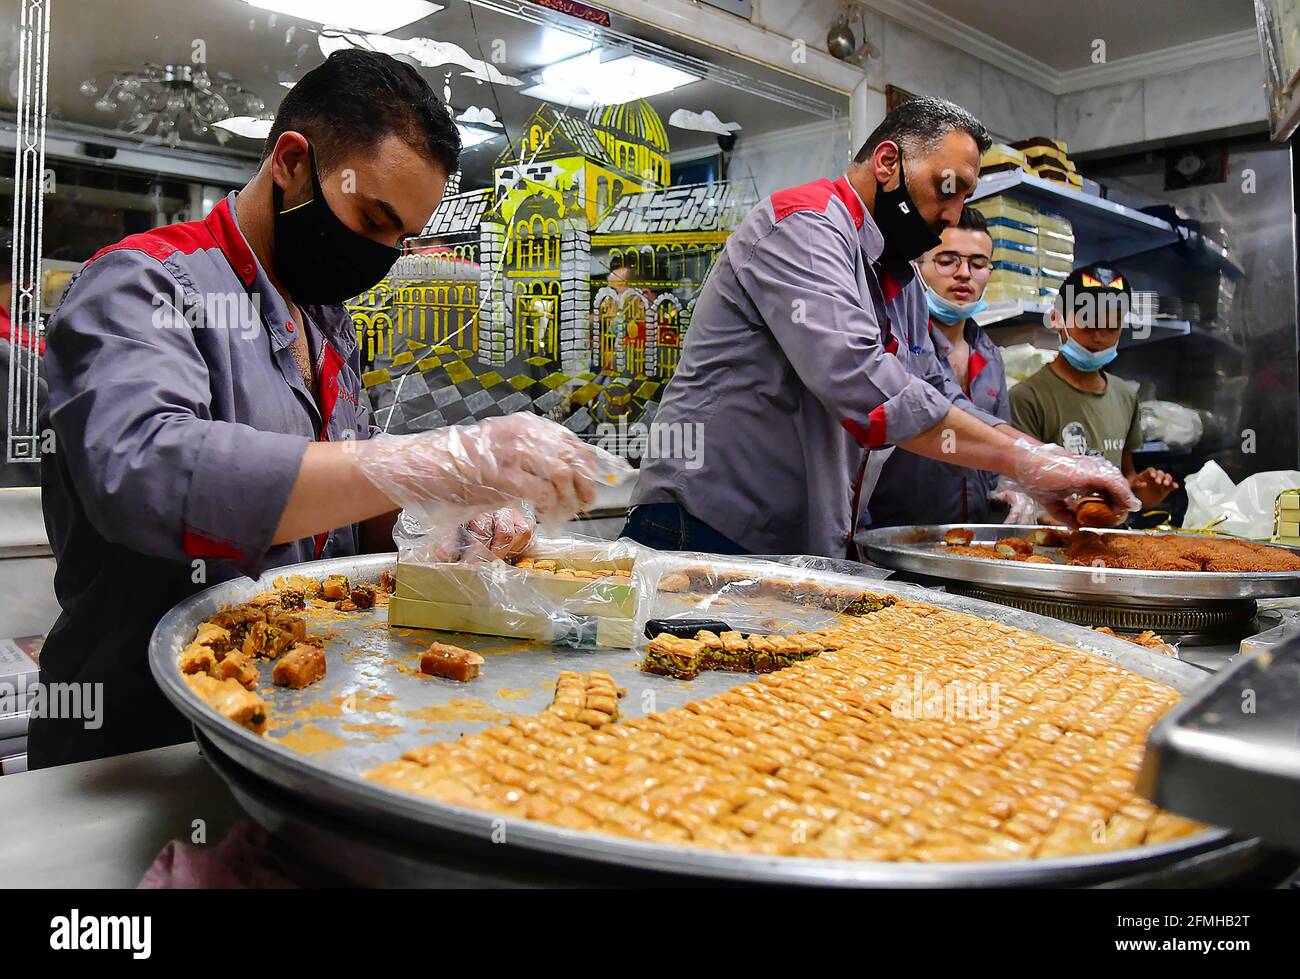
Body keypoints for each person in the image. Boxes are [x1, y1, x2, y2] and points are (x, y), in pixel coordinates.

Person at [34, 51, 595, 768]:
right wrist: (420, 461)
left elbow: (341, 511)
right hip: (138, 741)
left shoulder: (326, 323)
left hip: (294, 722)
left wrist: (447, 517)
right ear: (292, 163)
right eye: (371, 218)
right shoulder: (142, 285)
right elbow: (143, 472)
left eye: (402, 238)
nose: (380, 256)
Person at [623, 96, 1135, 557]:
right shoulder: (801, 225)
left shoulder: (899, 277)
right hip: (701, 529)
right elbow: (865, 388)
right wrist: (1023, 458)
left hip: (796, 540)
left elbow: (938, 392)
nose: (953, 214)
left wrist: (1036, 459)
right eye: (947, 188)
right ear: (888, 162)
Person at [864, 206, 1009, 527]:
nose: (964, 274)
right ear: (917, 268)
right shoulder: (896, 342)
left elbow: (995, 443)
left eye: (978, 264)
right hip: (892, 533)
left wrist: (1014, 484)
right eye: (947, 260)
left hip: (969, 537)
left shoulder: (990, 353)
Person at [1011, 264, 1177, 514]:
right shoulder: (1028, 398)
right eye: (1088, 325)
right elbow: (1024, 493)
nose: (1099, 337)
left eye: (1111, 328)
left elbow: (1125, 476)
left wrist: (1145, 492)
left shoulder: (1125, 396)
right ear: (1057, 319)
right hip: (1055, 542)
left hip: (1110, 540)